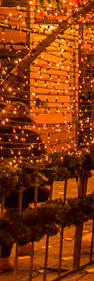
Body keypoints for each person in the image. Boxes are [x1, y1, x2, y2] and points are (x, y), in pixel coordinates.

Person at [0, 100, 46, 272]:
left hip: (14, 186)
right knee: (13, 215)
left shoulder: (21, 136)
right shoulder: (30, 136)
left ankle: (10, 254)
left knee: (12, 215)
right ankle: (23, 243)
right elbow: (42, 159)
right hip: (19, 186)